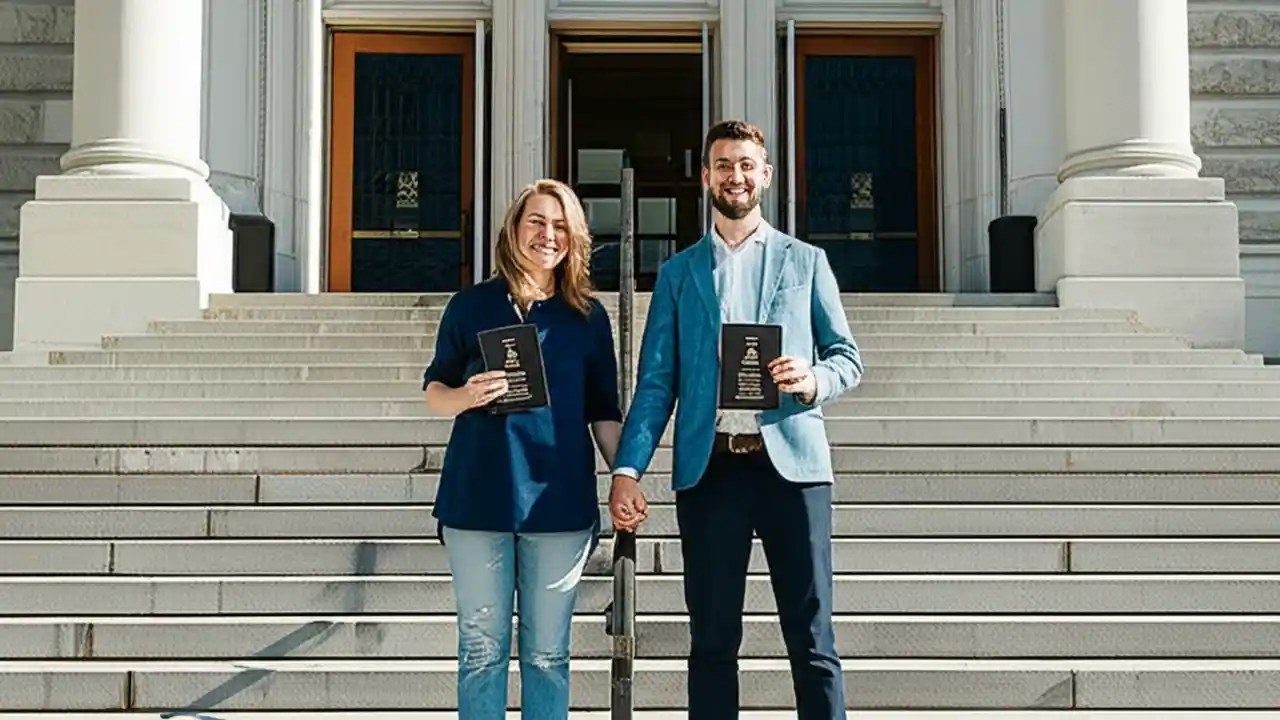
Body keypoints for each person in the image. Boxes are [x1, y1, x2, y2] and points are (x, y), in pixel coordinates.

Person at [609, 120, 863, 718]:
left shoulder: (807, 262)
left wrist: (812, 380)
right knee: (713, 642)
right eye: (724, 164)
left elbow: (847, 359)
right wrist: (627, 468)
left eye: (747, 164)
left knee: (813, 638)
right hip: (712, 470)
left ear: (765, 175)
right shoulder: (677, 274)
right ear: (706, 177)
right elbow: (655, 385)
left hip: (793, 470)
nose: (736, 176)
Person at [421, 178, 622, 719]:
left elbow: (604, 410)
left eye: (560, 225)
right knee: (482, 650)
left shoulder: (588, 318)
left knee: (548, 654)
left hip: (559, 504)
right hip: (478, 498)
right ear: (513, 229)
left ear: (574, 238)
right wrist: (465, 395)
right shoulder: (470, 307)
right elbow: (434, 393)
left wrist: (626, 475)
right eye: (536, 221)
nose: (547, 235)